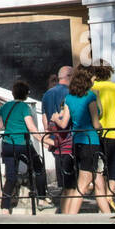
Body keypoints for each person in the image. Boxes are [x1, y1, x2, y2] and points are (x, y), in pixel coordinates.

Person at [53, 68, 115, 214]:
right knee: (82, 184)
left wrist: (56, 117)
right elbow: (96, 122)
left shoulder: (69, 98)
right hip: (91, 142)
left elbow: (64, 124)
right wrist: (101, 127)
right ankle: (72, 219)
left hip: (77, 142)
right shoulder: (90, 97)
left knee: (99, 183)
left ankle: (108, 217)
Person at [0, 80, 46, 212]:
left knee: (11, 176)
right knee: (39, 168)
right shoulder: (25, 107)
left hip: (7, 144)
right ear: (26, 94)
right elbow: (31, 127)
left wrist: (12, 125)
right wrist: (43, 140)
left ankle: (5, 207)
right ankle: (41, 198)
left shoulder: (4, 106)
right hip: (22, 144)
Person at [90, 62, 115, 196]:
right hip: (111, 132)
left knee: (96, 167)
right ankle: (109, 196)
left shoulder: (91, 88)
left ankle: (101, 196)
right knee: (112, 167)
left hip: (94, 133)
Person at [42, 67, 75, 196]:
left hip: (54, 137)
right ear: (70, 76)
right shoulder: (70, 93)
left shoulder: (47, 94)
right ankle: (69, 200)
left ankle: (64, 198)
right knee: (71, 174)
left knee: (61, 169)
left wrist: (47, 134)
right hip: (69, 137)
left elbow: (45, 117)